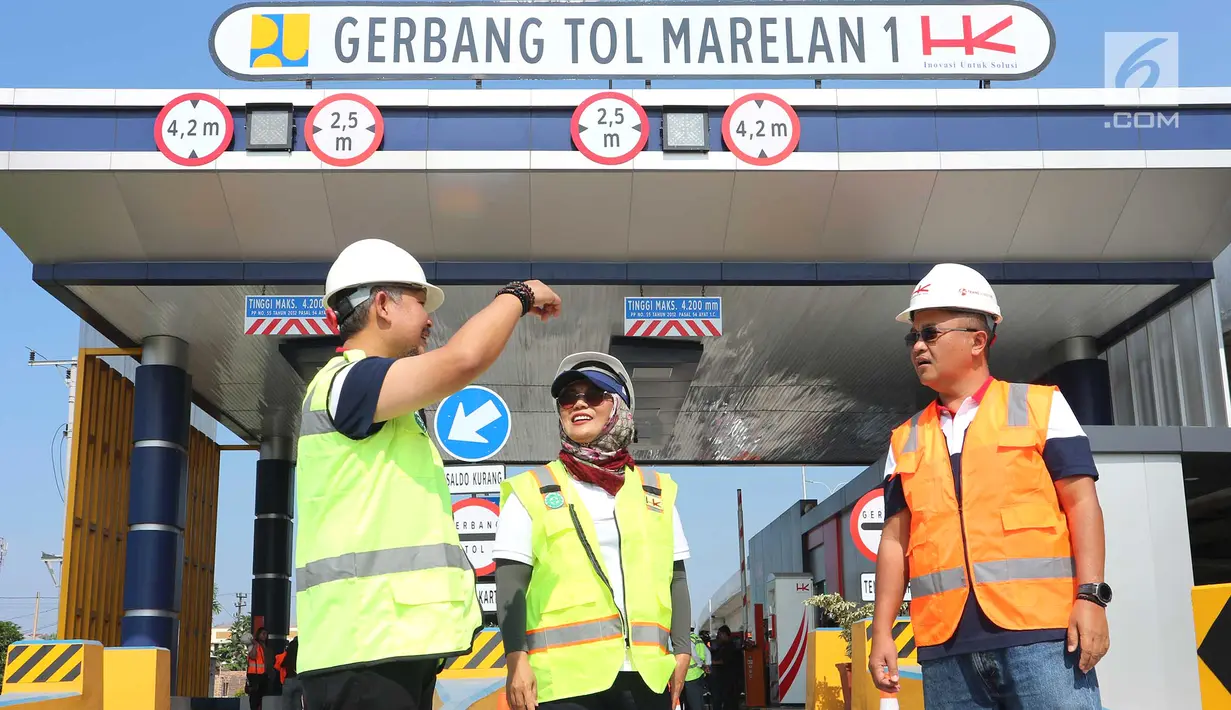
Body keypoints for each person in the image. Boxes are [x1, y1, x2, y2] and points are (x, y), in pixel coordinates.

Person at [294, 238, 562, 710]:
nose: (429, 319)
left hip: (386, 646)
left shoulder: (378, 399)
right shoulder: (348, 383)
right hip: (365, 647)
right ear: (382, 305)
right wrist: (519, 295)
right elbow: (464, 360)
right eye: (420, 304)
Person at [869, 263, 1111, 709]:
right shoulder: (905, 439)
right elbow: (894, 541)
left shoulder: (1042, 406)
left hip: (1044, 641)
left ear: (978, 340)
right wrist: (881, 629)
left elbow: (1082, 505)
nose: (918, 346)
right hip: (946, 651)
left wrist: (1091, 597)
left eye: (930, 333)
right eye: (913, 337)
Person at [493, 352, 694, 710]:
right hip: (564, 682)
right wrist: (515, 659)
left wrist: (682, 651)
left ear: (618, 407)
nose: (579, 403)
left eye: (595, 394)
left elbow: (676, 579)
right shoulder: (532, 488)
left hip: (646, 676)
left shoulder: (656, 491)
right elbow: (510, 586)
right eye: (568, 397)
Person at [707, 626, 741, 710]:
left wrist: (711, 663)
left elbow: (725, 661)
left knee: (729, 703)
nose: (718, 636)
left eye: (719, 634)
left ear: (725, 634)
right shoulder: (722, 647)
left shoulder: (731, 647)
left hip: (729, 682)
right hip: (723, 681)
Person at [683, 627, 710, 710]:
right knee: (699, 701)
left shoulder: (688, 639)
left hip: (691, 676)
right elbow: (707, 653)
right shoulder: (697, 638)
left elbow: (693, 654)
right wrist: (707, 665)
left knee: (694, 703)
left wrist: (701, 665)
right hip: (699, 674)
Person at [246, 627, 269, 710]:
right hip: (254, 675)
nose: (264, 636)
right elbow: (252, 656)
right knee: (254, 699)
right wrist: (255, 645)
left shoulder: (264, 646)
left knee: (259, 698)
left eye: (266, 634)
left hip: (262, 675)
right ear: (258, 634)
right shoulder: (253, 644)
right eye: (263, 633)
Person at [277, 636, 302, 710]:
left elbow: (281, 664)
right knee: (297, 703)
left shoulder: (287, 655)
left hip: (288, 680)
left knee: (286, 704)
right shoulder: (300, 655)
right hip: (299, 680)